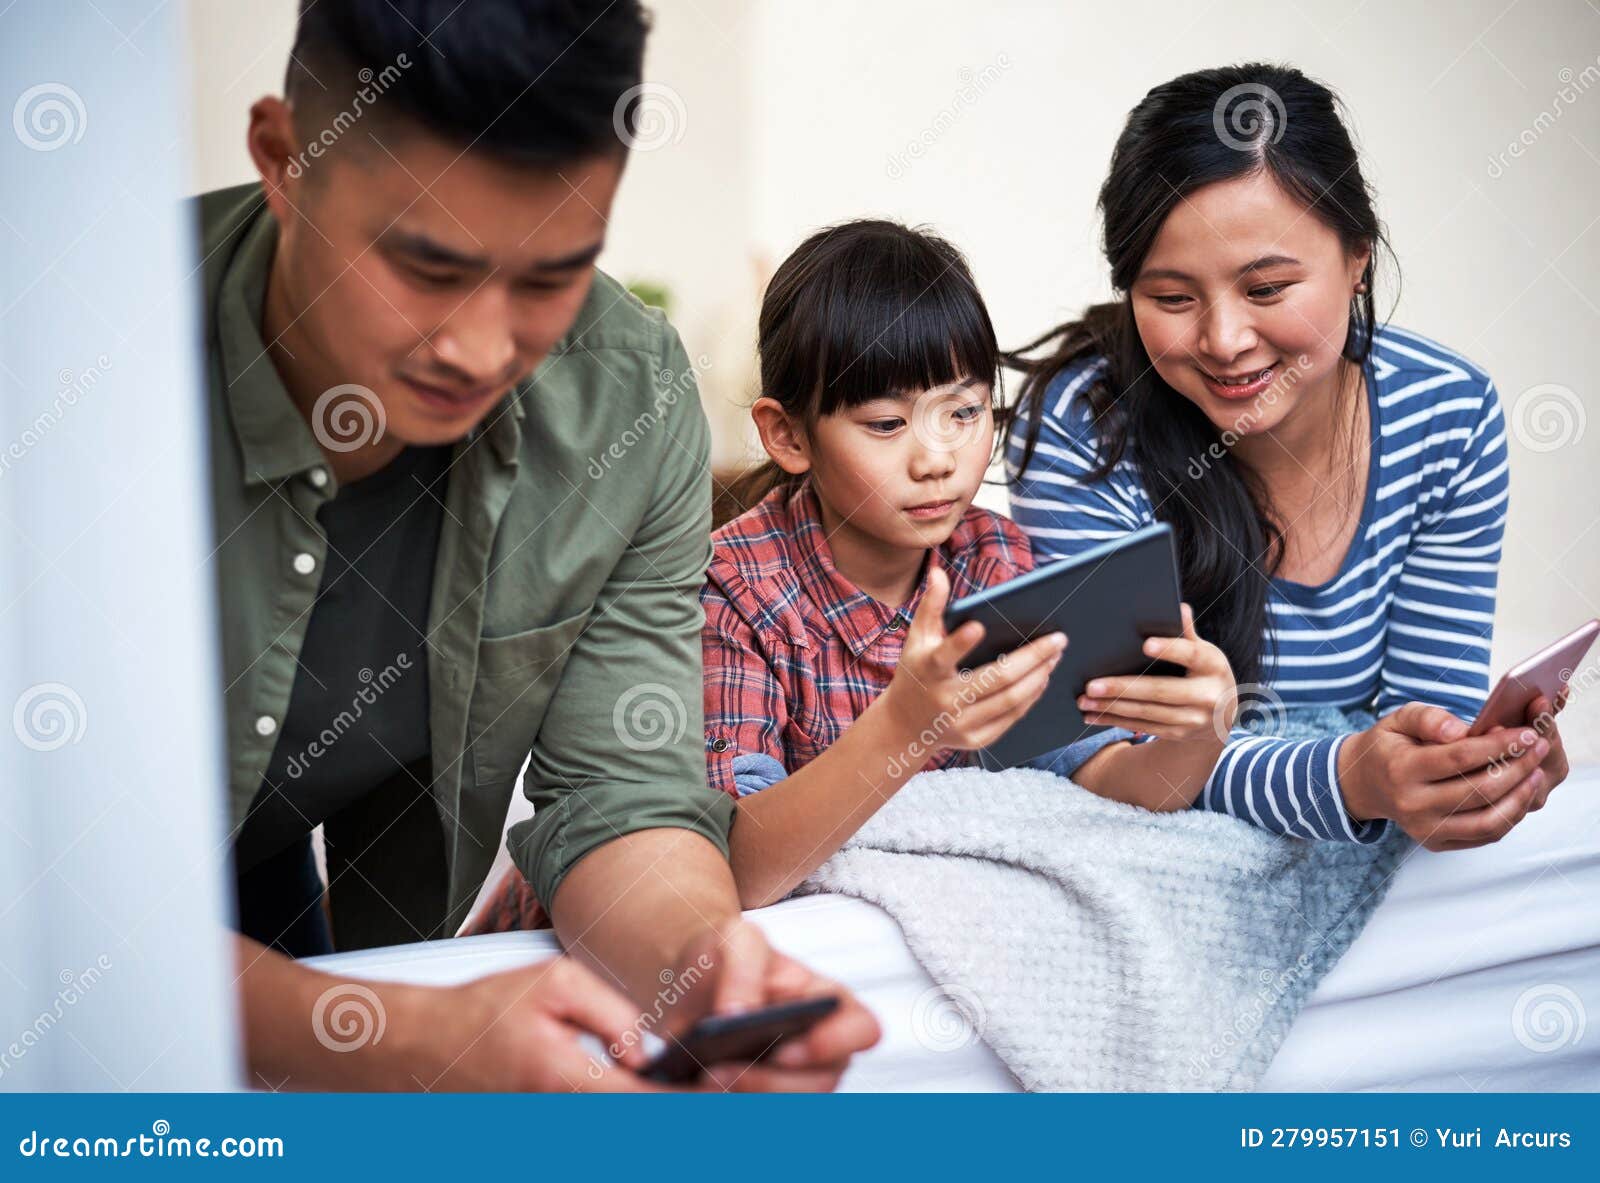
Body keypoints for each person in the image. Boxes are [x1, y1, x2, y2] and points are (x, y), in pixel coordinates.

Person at [208, 0, 875, 1090]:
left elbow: (620, 795)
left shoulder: (627, 393)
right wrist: (404, 1035)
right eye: (425, 268)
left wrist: (704, 976)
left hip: (273, 885)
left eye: (547, 277)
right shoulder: (70, 355)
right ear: (286, 161)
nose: (479, 348)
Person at [1005, 63, 1570, 852]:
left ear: (1357, 260)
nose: (1224, 340)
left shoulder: (1448, 413)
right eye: (1171, 299)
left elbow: (1424, 718)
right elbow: (1114, 761)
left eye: (1267, 289)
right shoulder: (1080, 428)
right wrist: (1348, 780)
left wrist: (1470, 766)